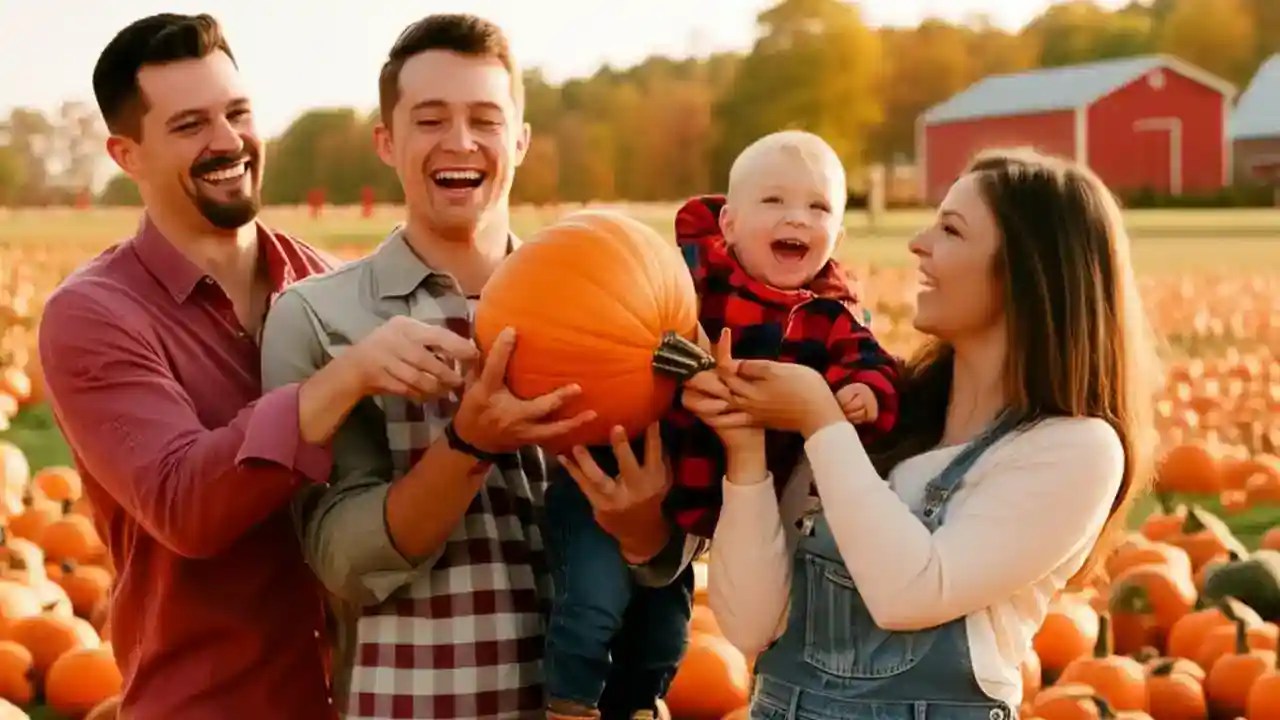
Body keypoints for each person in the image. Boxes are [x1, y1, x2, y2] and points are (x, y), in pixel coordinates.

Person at [260, 14, 701, 720]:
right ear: (387, 141)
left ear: (519, 141)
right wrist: (469, 445)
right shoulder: (319, 320)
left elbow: (673, 545)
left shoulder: (629, 291)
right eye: (430, 119)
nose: (460, 142)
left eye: (485, 120)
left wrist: (644, 526)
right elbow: (342, 560)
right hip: (426, 702)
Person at [37, 13, 459, 720]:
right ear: (126, 154)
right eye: (189, 125)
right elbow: (185, 505)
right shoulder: (93, 317)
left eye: (237, 113)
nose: (228, 141)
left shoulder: (326, 285)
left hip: (371, 697)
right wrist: (343, 379)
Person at [684, 148, 1159, 719]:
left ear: (1029, 271)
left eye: (951, 230)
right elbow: (750, 626)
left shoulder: (1074, 450)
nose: (919, 243)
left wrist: (819, 420)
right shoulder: (878, 412)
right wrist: (746, 449)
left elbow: (910, 593)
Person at [544, 130, 902, 720]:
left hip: (691, 513)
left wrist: (865, 392)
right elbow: (616, 299)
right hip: (610, 468)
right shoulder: (692, 276)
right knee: (594, 605)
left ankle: (639, 708)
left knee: (665, 638)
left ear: (837, 233)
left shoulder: (831, 316)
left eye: (819, 208)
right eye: (775, 202)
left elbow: (871, 363)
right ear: (729, 225)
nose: (797, 218)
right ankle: (570, 705)